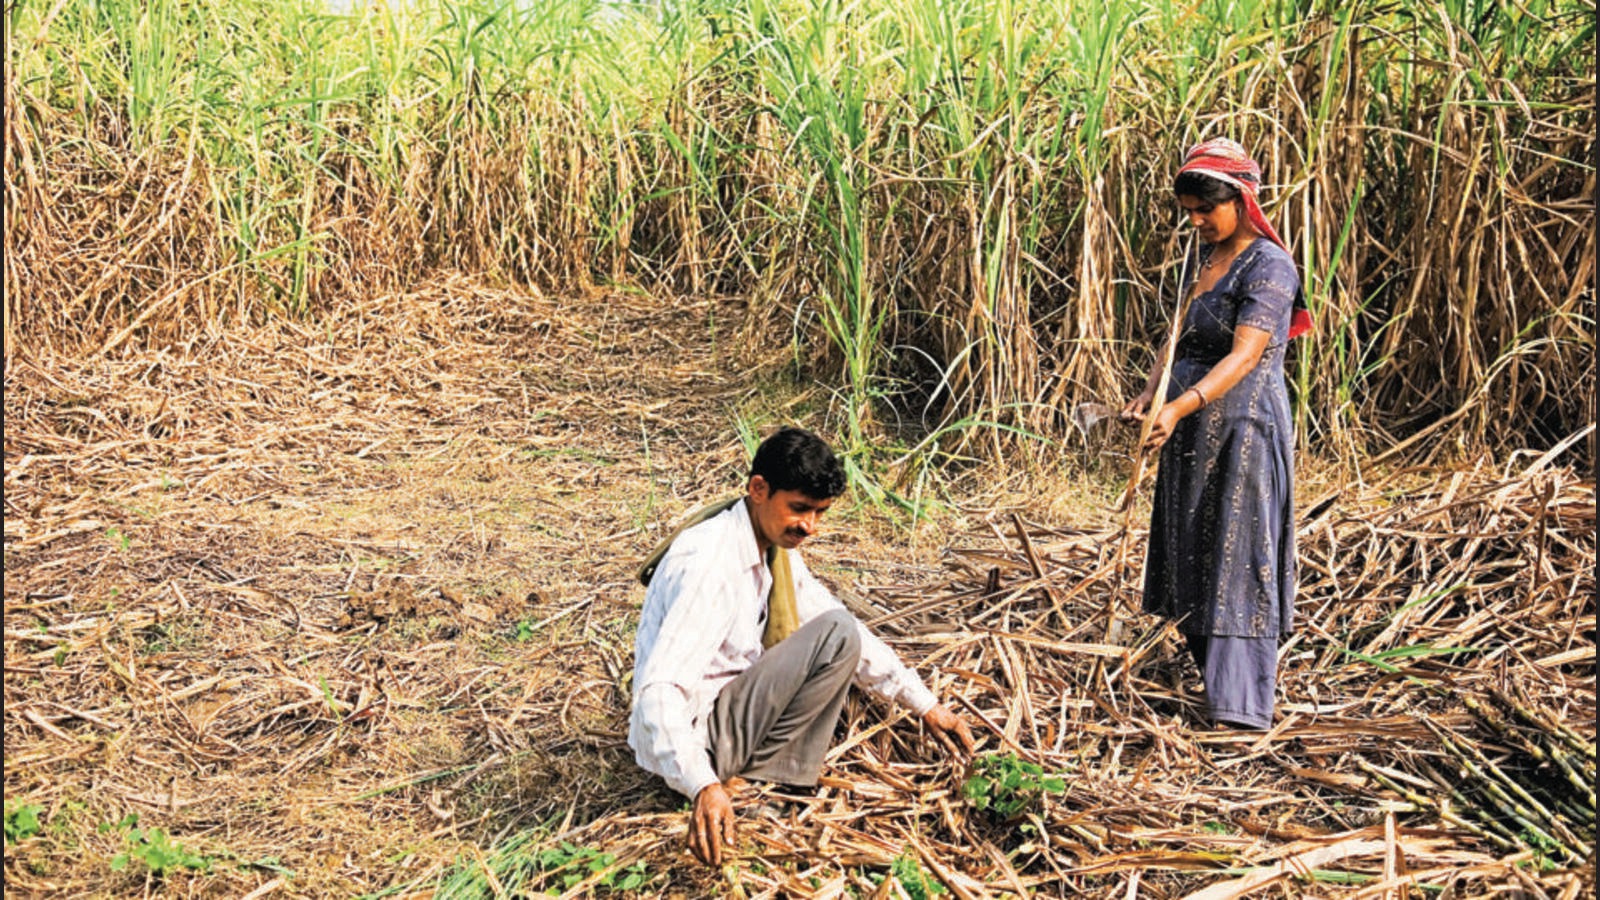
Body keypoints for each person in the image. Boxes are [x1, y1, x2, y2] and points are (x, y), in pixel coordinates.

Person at [629, 427, 975, 866]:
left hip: (728, 710)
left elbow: (831, 618)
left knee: (839, 634)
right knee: (836, 635)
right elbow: (659, 690)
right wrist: (703, 784)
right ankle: (750, 779)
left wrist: (924, 704)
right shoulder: (710, 565)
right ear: (758, 489)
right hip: (698, 731)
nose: (809, 527)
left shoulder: (772, 545)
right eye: (799, 509)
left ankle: (760, 776)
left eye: (819, 513)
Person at [1120, 138, 1307, 731]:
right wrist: (1152, 393)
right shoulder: (1202, 261)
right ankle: (1213, 684)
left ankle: (1241, 710)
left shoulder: (1270, 266)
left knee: (1237, 555)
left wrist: (1180, 405)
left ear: (1242, 201)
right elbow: (1177, 335)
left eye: (1206, 210)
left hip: (1242, 434)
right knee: (1192, 547)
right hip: (1190, 433)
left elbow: (1246, 355)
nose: (1196, 221)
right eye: (1189, 212)